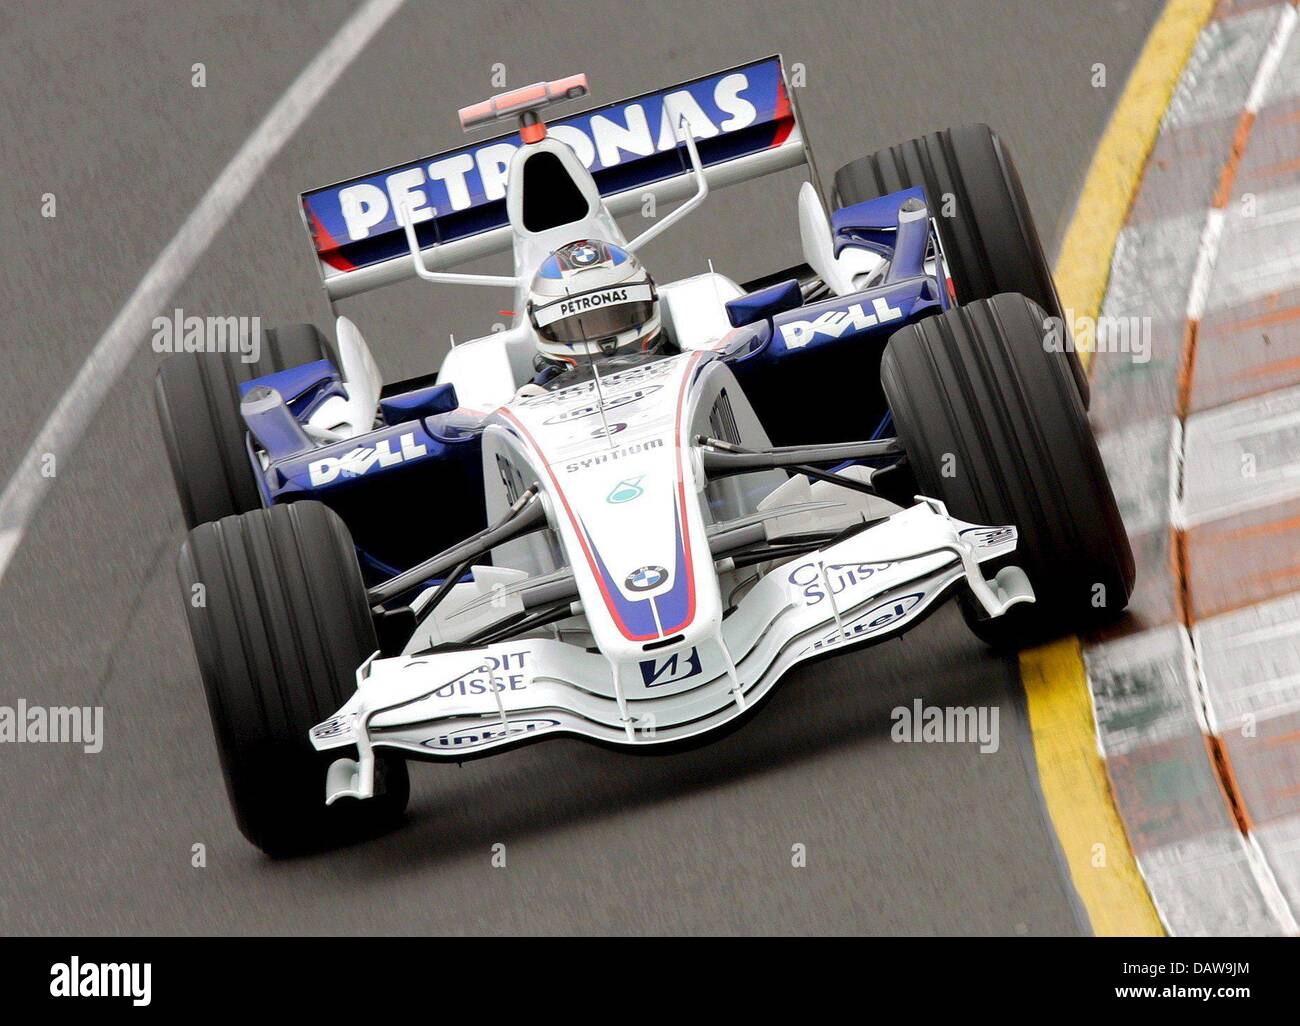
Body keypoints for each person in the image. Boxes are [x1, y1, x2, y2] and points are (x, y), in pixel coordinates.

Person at [519, 239, 664, 395]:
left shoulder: (683, 359)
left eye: (617, 316)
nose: (602, 332)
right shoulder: (533, 395)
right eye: (584, 325)